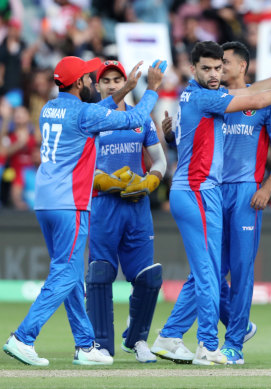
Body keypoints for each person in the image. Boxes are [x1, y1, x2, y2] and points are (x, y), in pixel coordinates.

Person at [150, 41, 271, 365]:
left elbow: (267, 115)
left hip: (240, 192)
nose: (217, 71)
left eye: (221, 65)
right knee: (210, 271)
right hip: (204, 189)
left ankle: (226, 339)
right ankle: (203, 341)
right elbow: (254, 97)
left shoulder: (221, 96)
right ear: (196, 68)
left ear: (240, 67)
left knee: (232, 269)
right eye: (211, 67)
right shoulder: (216, 97)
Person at [2, 56, 164, 366]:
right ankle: (23, 337)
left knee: (72, 274)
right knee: (66, 273)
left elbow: (94, 112)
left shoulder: (51, 107)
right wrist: (151, 90)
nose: (92, 82)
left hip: (46, 202)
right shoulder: (85, 115)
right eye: (89, 78)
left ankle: (85, 345)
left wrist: (123, 89)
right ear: (78, 84)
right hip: (70, 203)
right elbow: (135, 119)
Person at [86, 59, 168, 363]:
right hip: (104, 205)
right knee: (100, 273)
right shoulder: (91, 119)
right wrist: (102, 181)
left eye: (116, 79)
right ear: (97, 86)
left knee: (148, 277)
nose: (110, 84)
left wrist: (150, 181)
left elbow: (160, 161)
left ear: (126, 82)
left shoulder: (141, 119)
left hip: (136, 206)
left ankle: (137, 340)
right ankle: (100, 345)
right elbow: (81, 168)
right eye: (104, 80)